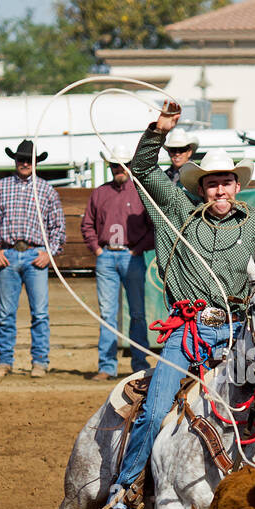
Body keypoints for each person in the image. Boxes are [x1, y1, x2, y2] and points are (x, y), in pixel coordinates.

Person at [98, 103, 255, 509]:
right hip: (188, 331)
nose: (220, 190)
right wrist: (158, 130)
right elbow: (143, 170)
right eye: (212, 183)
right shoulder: (177, 212)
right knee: (154, 412)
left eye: (226, 182)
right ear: (202, 186)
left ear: (237, 185)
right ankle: (127, 490)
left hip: (238, 331)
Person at [0, 139, 65, 379]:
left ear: (36, 163)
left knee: (40, 313)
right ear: (15, 161)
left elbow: (58, 227)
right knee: (5, 314)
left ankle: (39, 362)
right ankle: (4, 362)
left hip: (36, 255)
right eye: (21, 159)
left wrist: (50, 253)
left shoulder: (46, 190)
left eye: (29, 160)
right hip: (8, 254)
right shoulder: (0, 187)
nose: (25, 163)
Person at [82, 144, 155, 380]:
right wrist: (97, 249)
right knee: (108, 313)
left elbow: (154, 227)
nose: (118, 169)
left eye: (122, 165)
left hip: (130, 255)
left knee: (137, 312)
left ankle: (139, 362)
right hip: (108, 255)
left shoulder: (141, 193)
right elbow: (87, 225)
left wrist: (138, 249)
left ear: (130, 167)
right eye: (115, 165)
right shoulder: (100, 193)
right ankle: (107, 366)